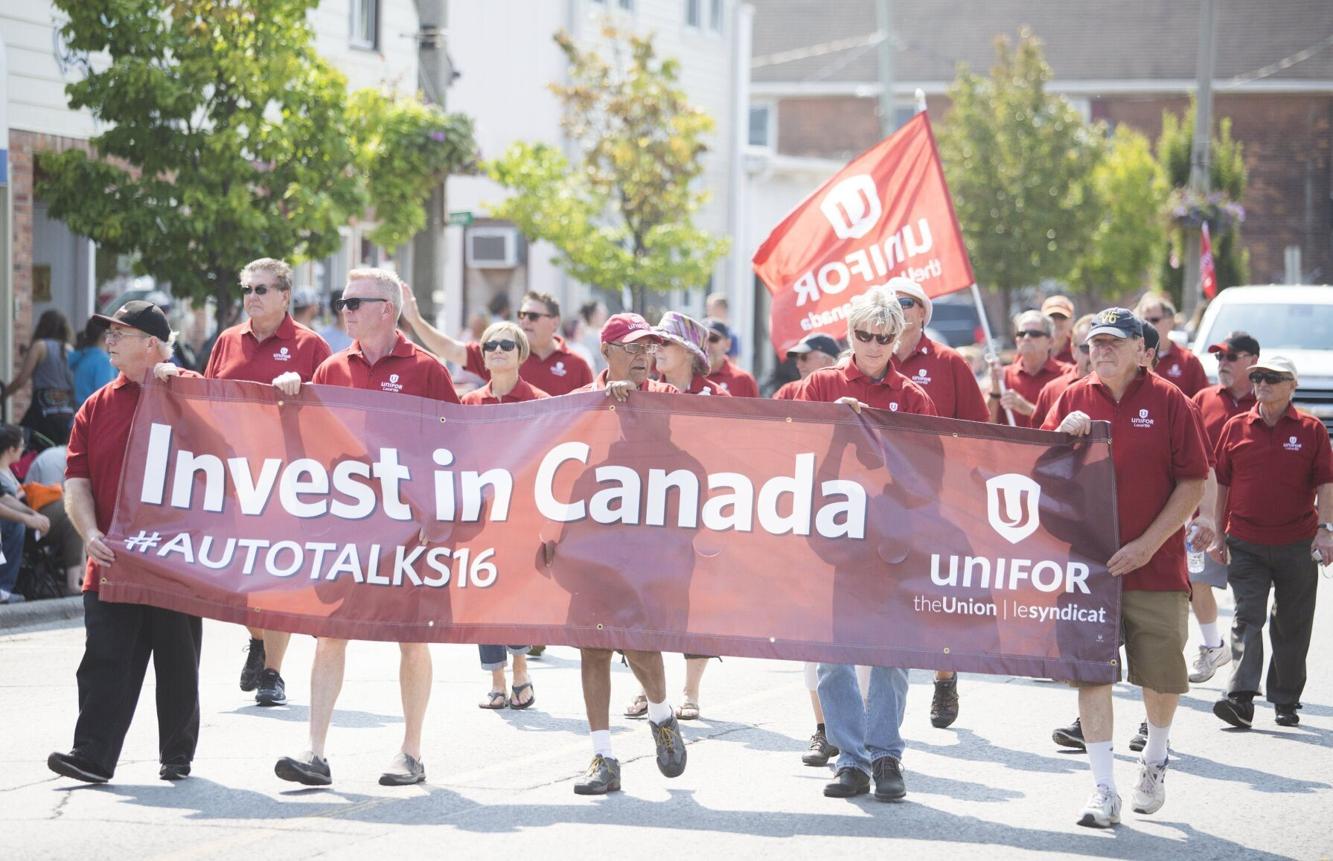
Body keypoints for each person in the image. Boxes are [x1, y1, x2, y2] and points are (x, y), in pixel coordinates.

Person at [269, 268, 458, 788]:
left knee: (411, 639)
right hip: (349, 528)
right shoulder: (331, 369)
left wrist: (437, 515)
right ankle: (314, 751)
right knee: (329, 634)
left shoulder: (427, 371)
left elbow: (458, 449)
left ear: (387, 309)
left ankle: (411, 752)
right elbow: (307, 436)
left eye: (354, 302)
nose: (344, 310)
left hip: (410, 530)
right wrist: (292, 391)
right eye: (342, 302)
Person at [1042, 308, 1209, 828]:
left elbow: (1192, 482)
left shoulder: (1170, 401)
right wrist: (1059, 441)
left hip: (1154, 566)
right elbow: (1039, 472)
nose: (1103, 351)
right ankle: (1103, 788)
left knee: (1160, 678)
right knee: (1093, 674)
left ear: (1142, 350)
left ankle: (1155, 757)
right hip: (1088, 566)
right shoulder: (1071, 398)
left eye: (1115, 343)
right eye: (1096, 344)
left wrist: (1147, 543)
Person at [47, 301, 204, 784]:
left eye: (120, 333)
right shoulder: (95, 406)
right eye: (109, 333)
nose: (109, 341)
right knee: (103, 660)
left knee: (177, 663)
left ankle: (176, 755)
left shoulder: (194, 396)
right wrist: (89, 533)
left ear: (152, 344)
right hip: (111, 559)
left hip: (175, 562)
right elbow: (77, 483)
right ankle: (92, 754)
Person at [797, 285, 938, 803]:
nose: (874, 345)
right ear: (849, 334)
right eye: (864, 335)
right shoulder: (821, 385)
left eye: (883, 337)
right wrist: (830, 422)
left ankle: (886, 755)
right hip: (832, 539)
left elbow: (928, 472)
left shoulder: (914, 397)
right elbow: (787, 452)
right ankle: (851, 759)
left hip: (891, 539)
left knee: (890, 655)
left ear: (897, 338)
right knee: (834, 656)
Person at [561, 312, 685, 795]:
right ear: (606, 351)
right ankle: (603, 756)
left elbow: (700, 449)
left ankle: (661, 714)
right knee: (592, 648)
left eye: (648, 348)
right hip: (589, 546)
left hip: (647, 547)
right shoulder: (579, 404)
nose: (642, 357)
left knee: (639, 643)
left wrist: (635, 411)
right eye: (632, 348)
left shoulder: (669, 400)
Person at [202, 258, 332, 709]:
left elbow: (334, 408)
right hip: (235, 477)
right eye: (248, 289)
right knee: (240, 576)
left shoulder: (310, 345)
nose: (252, 297)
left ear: (283, 295)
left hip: (288, 478)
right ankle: (257, 640)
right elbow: (204, 399)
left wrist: (306, 389)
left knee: (278, 574)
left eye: (261, 289)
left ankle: (273, 674)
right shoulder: (227, 341)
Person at [879, 275, 988, 728]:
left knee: (938, 595)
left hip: (939, 500)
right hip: (882, 502)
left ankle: (944, 677)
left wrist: (967, 492)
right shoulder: (871, 359)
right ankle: (881, 708)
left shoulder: (950, 364)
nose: (897, 309)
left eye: (905, 302)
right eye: (888, 302)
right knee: (885, 600)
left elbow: (979, 430)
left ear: (923, 312)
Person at [1208, 356, 1333, 730]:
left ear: (1292, 385)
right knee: (1248, 616)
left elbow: (1327, 483)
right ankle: (1240, 697)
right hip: (1245, 540)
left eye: (1273, 378)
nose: (1262, 383)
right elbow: (1222, 484)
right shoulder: (1236, 427)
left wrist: (1325, 530)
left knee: (1291, 624)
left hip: (1297, 542)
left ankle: (1286, 697)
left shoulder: (1311, 429)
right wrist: (1217, 531)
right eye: (1258, 377)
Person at [460, 320, 544, 710]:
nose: (497, 350)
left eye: (506, 345)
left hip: (524, 516)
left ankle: (521, 669)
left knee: (517, 595)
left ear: (520, 353)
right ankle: (496, 678)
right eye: (490, 344)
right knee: (485, 597)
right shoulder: (469, 404)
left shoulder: (539, 403)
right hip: (481, 518)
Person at [1184, 332, 1260, 684]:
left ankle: (1247, 669)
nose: (1223, 364)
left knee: (1247, 596)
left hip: (1250, 515)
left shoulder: (1265, 401)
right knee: (1197, 581)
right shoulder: (1203, 399)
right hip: (1204, 512)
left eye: (1231, 357)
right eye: (1218, 358)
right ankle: (1213, 646)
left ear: (1253, 361)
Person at [400, 288, 594, 396]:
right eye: (522, 315)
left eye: (533, 316)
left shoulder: (577, 365)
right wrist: (416, 320)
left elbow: (589, 414)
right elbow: (451, 349)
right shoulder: (501, 352)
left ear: (555, 322)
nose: (525, 321)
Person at [4, 310, 76, 445]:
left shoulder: (39, 346)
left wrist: (4, 394)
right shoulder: (69, 349)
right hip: (66, 411)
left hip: (42, 410)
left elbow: (22, 379)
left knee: (18, 442)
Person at [988, 310, 1067, 428]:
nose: (1026, 337)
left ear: (1050, 341)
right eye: (1021, 333)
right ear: (1016, 340)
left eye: (1034, 333)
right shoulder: (1003, 375)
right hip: (1011, 446)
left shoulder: (1066, 374)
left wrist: (1028, 409)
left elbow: (1067, 424)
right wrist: (995, 392)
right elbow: (987, 424)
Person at [1134, 294, 1208, 397]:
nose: (1148, 325)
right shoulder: (1133, 359)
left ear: (1169, 322)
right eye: (1145, 320)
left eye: (1154, 320)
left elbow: (1202, 402)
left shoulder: (1188, 361)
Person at [1031, 314, 1095, 428]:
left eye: (1100, 346)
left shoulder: (1121, 387)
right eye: (1086, 348)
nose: (1094, 355)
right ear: (1073, 350)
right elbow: (1040, 441)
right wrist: (1060, 431)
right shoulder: (1051, 390)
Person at [774, 334, 840, 401]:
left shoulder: (845, 386)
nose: (798, 365)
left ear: (827, 360)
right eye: (797, 359)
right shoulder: (788, 392)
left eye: (804, 358)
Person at [704, 319, 759, 397]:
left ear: (727, 344)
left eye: (713, 339)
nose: (707, 344)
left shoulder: (743, 380)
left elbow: (754, 409)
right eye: (703, 338)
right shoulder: (688, 377)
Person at [69, 319, 116, 408]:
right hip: (94, 417)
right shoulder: (104, 361)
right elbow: (106, 399)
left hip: (78, 414)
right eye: (114, 334)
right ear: (105, 336)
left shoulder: (79, 357)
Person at [1043, 295, 1077, 365]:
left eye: (1062, 317)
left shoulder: (1080, 349)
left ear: (1072, 320)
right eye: (1051, 317)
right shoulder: (1034, 346)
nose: (1056, 322)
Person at [706, 292, 740, 358]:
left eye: (710, 308)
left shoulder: (732, 335)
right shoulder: (704, 329)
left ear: (721, 309)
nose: (708, 312)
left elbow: (733, 361)